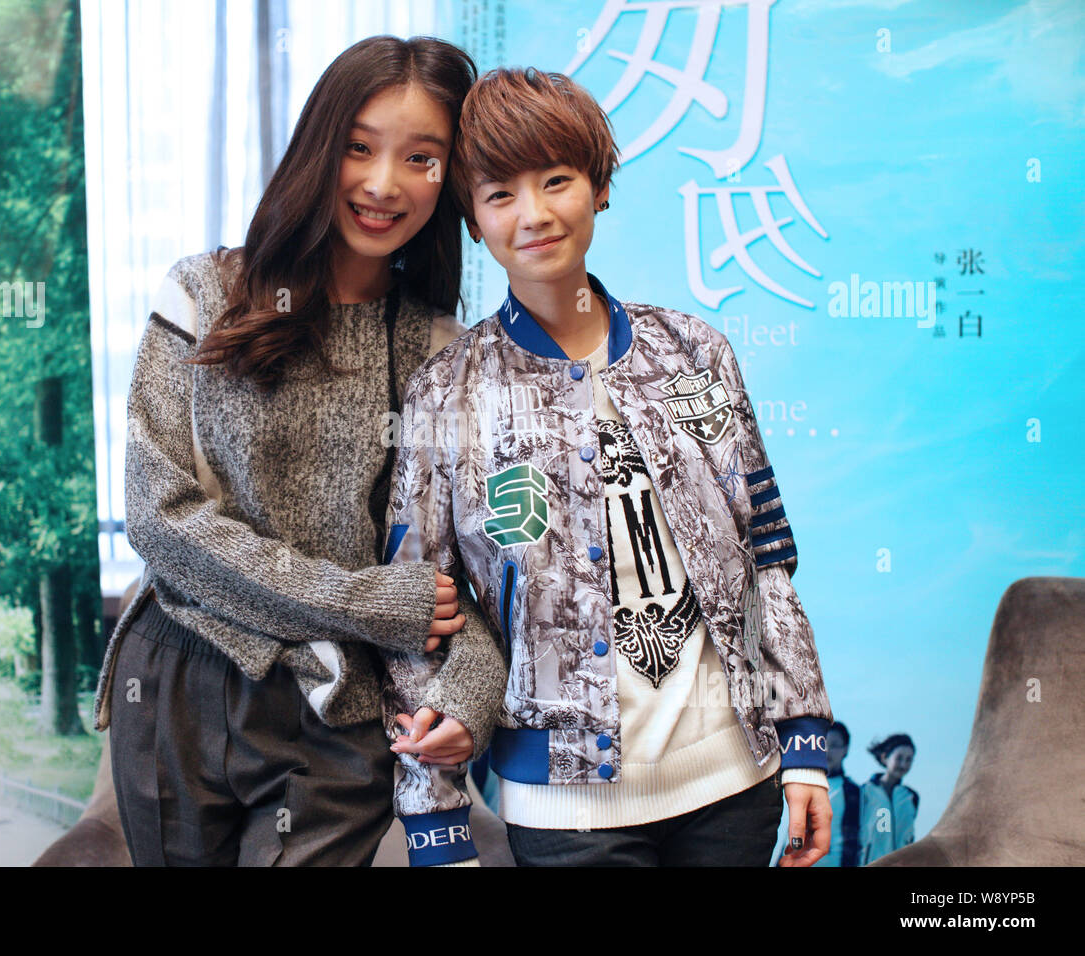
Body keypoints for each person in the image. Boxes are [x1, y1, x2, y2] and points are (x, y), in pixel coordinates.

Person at [383, 67, 835, 867]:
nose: (534, 214)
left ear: (596, 186)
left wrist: (804, 742)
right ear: (474, 220)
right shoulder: (445, 393)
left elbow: (768, 558)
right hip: (563, 811)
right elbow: (417, 619)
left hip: (732, 781)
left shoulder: (695, 354)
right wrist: (435, 823)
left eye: (556, 180)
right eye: (500, 195)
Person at [95, 34, 505, 867]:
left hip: (336, 712)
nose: (384, 183)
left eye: (421, 158)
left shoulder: (441, 351)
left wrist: (470, 698)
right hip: (179, 677)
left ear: (450, 181)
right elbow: (160, 518)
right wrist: (362, 602)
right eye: (359, 146)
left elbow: (471, 571)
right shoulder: (205, 292)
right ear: (319, 146)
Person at [772, 720, 860, 866]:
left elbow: (855, 840)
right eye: (823, 743)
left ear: (846, 749)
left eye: (834, 745)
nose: (827, 750)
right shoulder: (797, 783)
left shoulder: (852, 792)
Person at [860, 732, 918, 864]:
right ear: (885, 758)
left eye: (909, 759)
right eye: (899, 758)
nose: (903, 764)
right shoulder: (864, 792)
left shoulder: (911, 797)